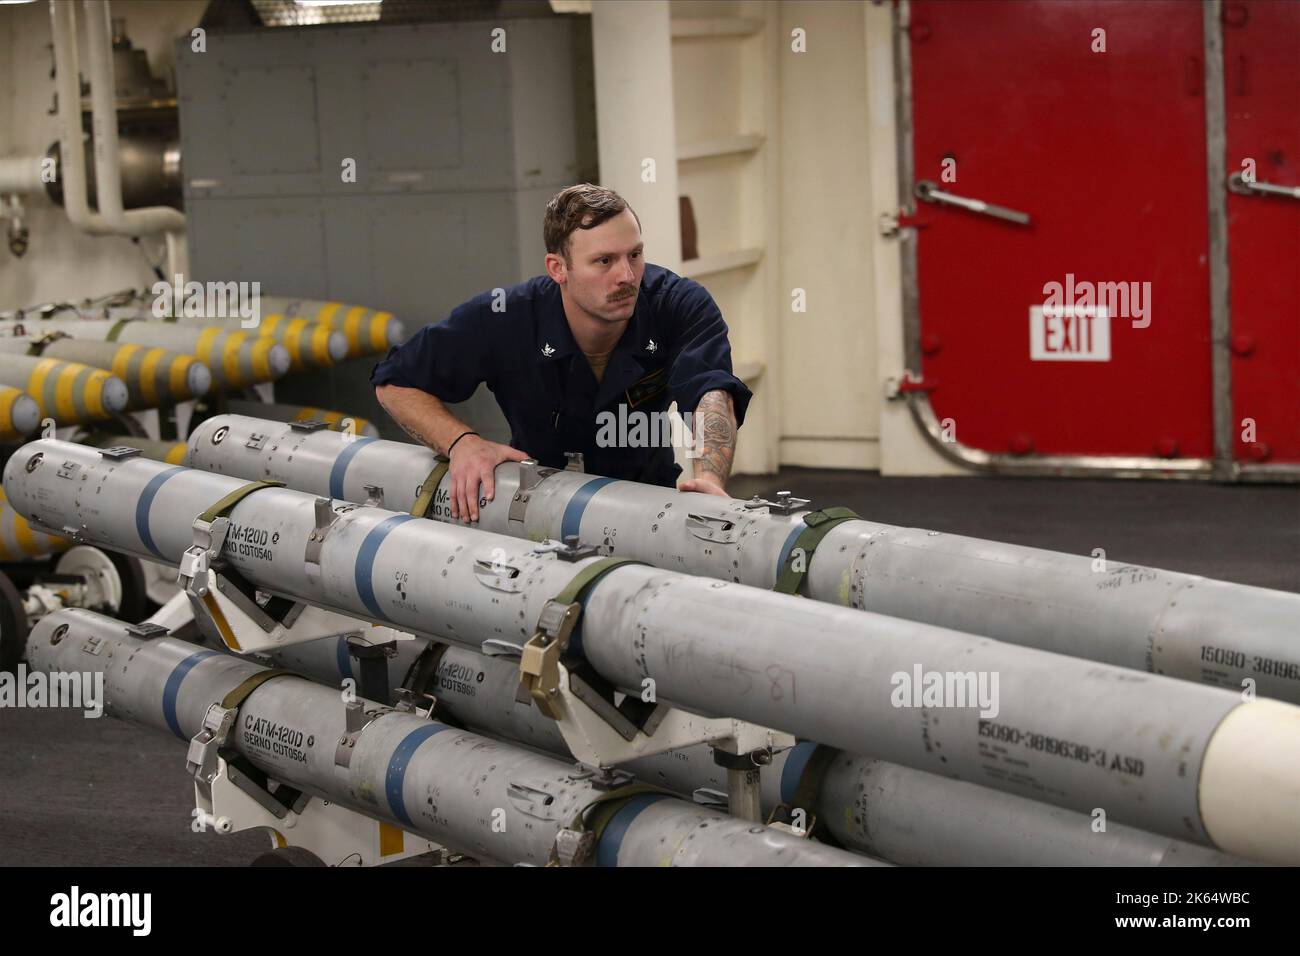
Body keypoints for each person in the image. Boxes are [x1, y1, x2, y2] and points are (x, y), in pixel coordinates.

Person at [372, 183, 751, 524]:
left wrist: (708, 481)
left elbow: (710, 393)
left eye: (634, 255)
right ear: (558, 268)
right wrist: (461, 442)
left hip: (646, 503)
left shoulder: (679, 304)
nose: (627, 276)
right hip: (535, 503)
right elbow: (395, 382)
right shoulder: (506, 315)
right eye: (604, 261)